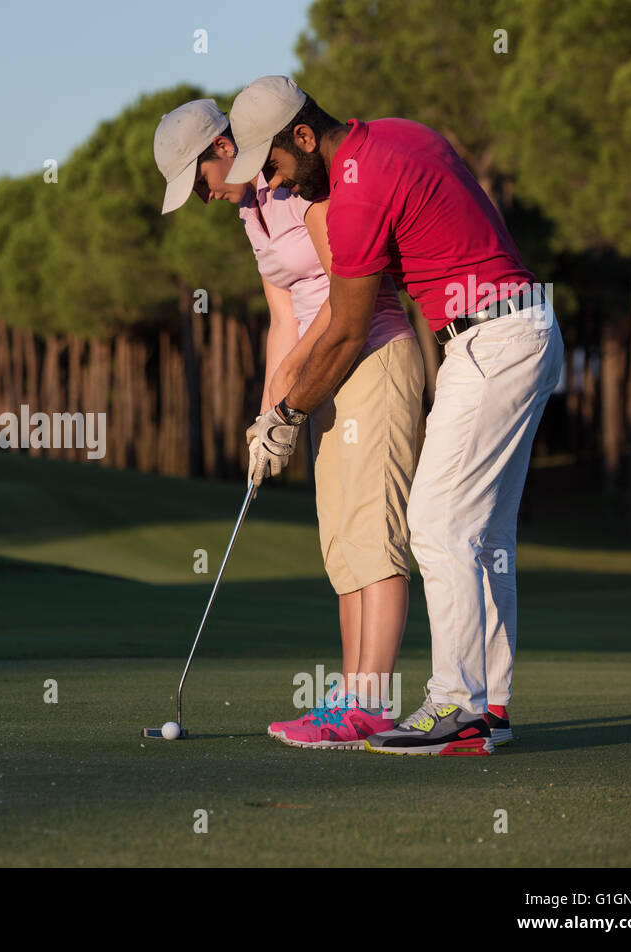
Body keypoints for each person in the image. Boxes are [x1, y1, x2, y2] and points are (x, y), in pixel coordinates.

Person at [226, 75, 564, 755]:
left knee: (436, 521)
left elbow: (348, 330)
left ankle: (457, 707)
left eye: (276, 168)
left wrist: (287, 411)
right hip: (526, 326)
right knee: (486, 532)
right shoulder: (401, 133)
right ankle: (490, 706)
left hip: (491, 340)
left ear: (301, 135)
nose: (280, 186)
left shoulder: (353, 195)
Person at [154, 97, 424, 748]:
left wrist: (288, 403)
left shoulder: (298, 187)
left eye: (196, 183)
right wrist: (266, 414)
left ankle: (372, 702)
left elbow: (342, 300)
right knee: (341, 544)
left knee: (375, 536)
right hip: (325, 375)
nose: (200, 198)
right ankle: (351, 700)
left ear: (222, 150)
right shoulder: (252, 211)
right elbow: (285, 320)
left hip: (375, 357)